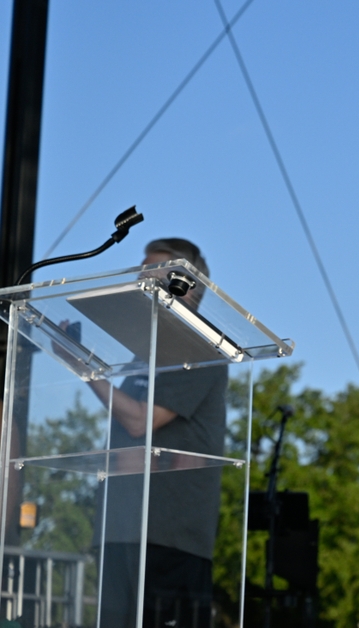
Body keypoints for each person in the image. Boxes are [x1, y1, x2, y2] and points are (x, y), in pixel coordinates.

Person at [89, 238, 227, 628]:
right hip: (121, 529)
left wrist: (87, 371)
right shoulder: (140, 357)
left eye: (153, 278)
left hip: (169, 538)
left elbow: (138, 421)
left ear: (190, 289)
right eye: (140, 277)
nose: (141, 286)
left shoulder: (202, 347)